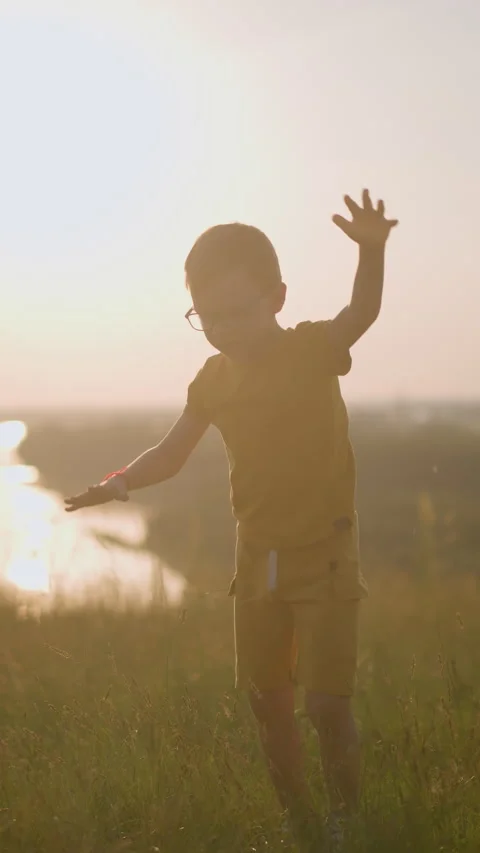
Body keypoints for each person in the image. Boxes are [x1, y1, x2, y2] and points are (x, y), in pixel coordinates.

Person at [65, 190, 397, 851]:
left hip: (326, 552)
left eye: (237, 312)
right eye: (207, 317)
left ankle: (345, 820)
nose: (222, 329)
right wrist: (119, 482)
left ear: (277, 298)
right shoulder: (212, 379)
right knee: (267, 702)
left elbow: (361, 312)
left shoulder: (311, 348)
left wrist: (371, 251)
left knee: (326, 705)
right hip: (256, 558)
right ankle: (297, 819)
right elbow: (170, 453)